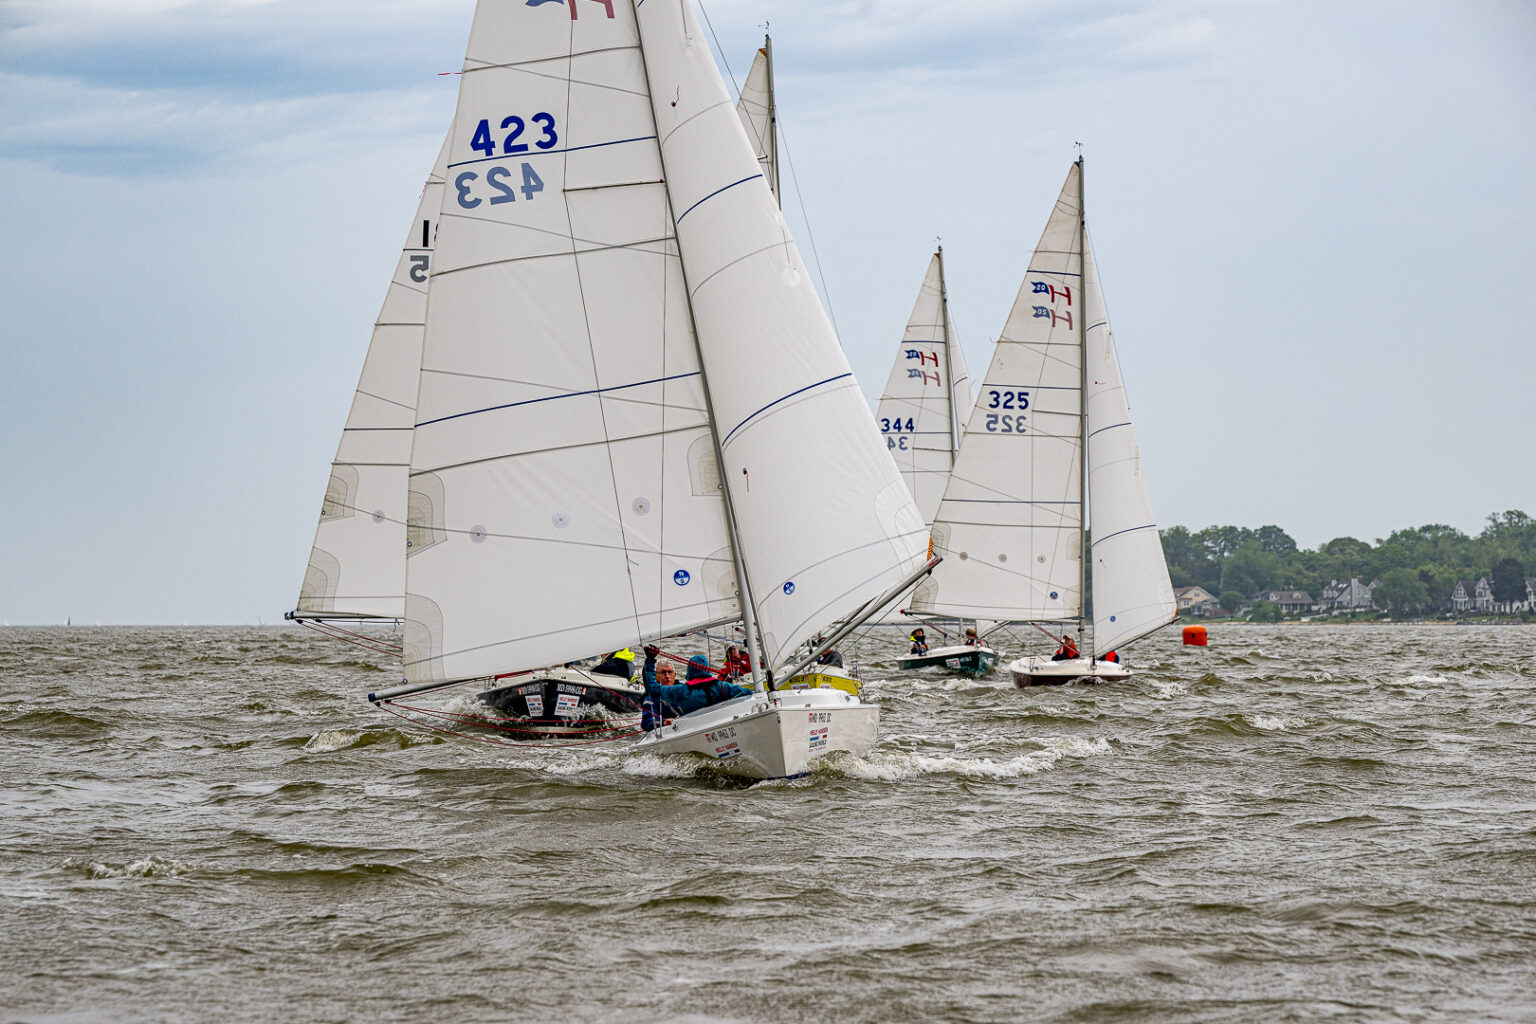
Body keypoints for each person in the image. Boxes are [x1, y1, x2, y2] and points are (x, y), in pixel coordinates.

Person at [639, 645, 753, 729]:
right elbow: (748, 693)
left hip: (693, 729)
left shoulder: (682, 691)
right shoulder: (721, 686)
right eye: (663, 673)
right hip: (721, 725)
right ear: (708, 669)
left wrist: (650, 660)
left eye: (670, 672)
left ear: (689, 672)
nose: (667, 676)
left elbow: (652, 689)